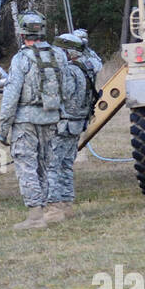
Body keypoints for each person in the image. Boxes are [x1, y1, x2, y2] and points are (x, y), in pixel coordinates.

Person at [0, 12, 66, 231]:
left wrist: (3, 129)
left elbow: (11, 97)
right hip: (51, 117)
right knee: (45, 165)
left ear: (22, 33)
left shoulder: (21, 59)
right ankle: (46, 210)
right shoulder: (59, 55)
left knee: (26, 166)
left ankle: (35, 217)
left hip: (25, 121)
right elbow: (66, 88)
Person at [47, 31, 98, 220]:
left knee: (52, 166)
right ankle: (67, 206)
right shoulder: (88, 66)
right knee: (66, 165)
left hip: (63, 124)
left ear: (68, 52)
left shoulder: (70, 71)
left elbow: (64, 94)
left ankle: (54, 209)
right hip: (78, 123)